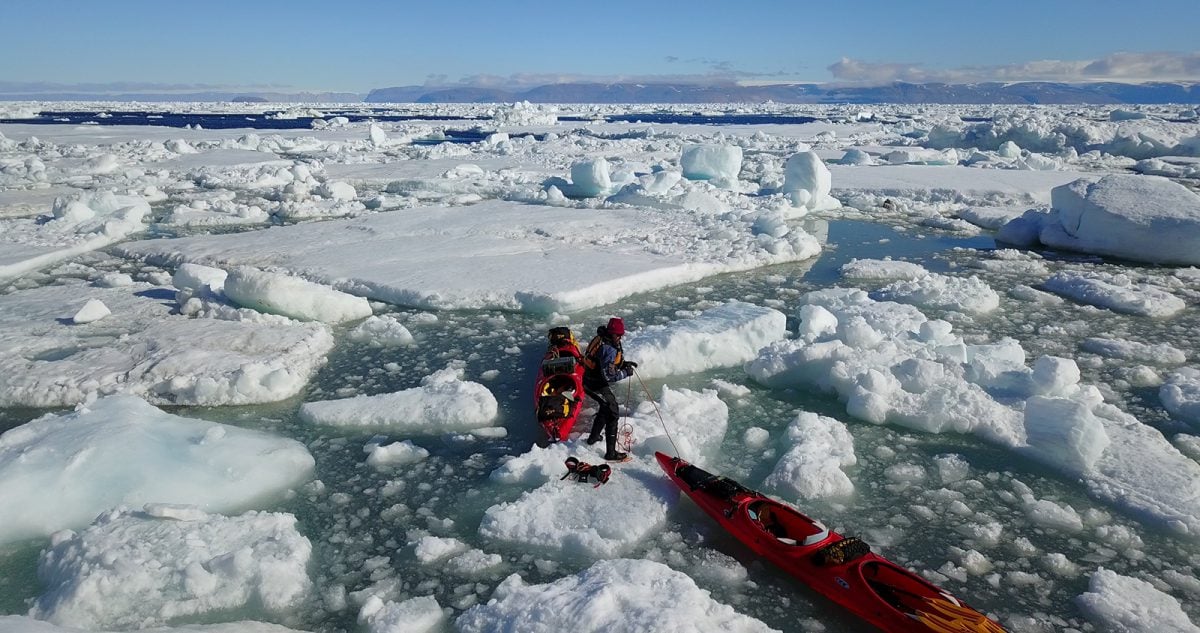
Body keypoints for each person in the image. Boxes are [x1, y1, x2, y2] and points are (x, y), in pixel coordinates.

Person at [581, 317, 637, 462]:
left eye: (621, 335)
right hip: (595, 385)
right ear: (612, 333)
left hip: (590, 381)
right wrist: (626, 373)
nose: (620, 338)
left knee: (605, 407)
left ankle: (593, 438)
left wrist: (624, 364)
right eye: (618, 335)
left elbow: (606, 362)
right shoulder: (608, 348)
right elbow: (609, 376)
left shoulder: (602, 338)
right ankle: (610, 454)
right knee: (612, 413)